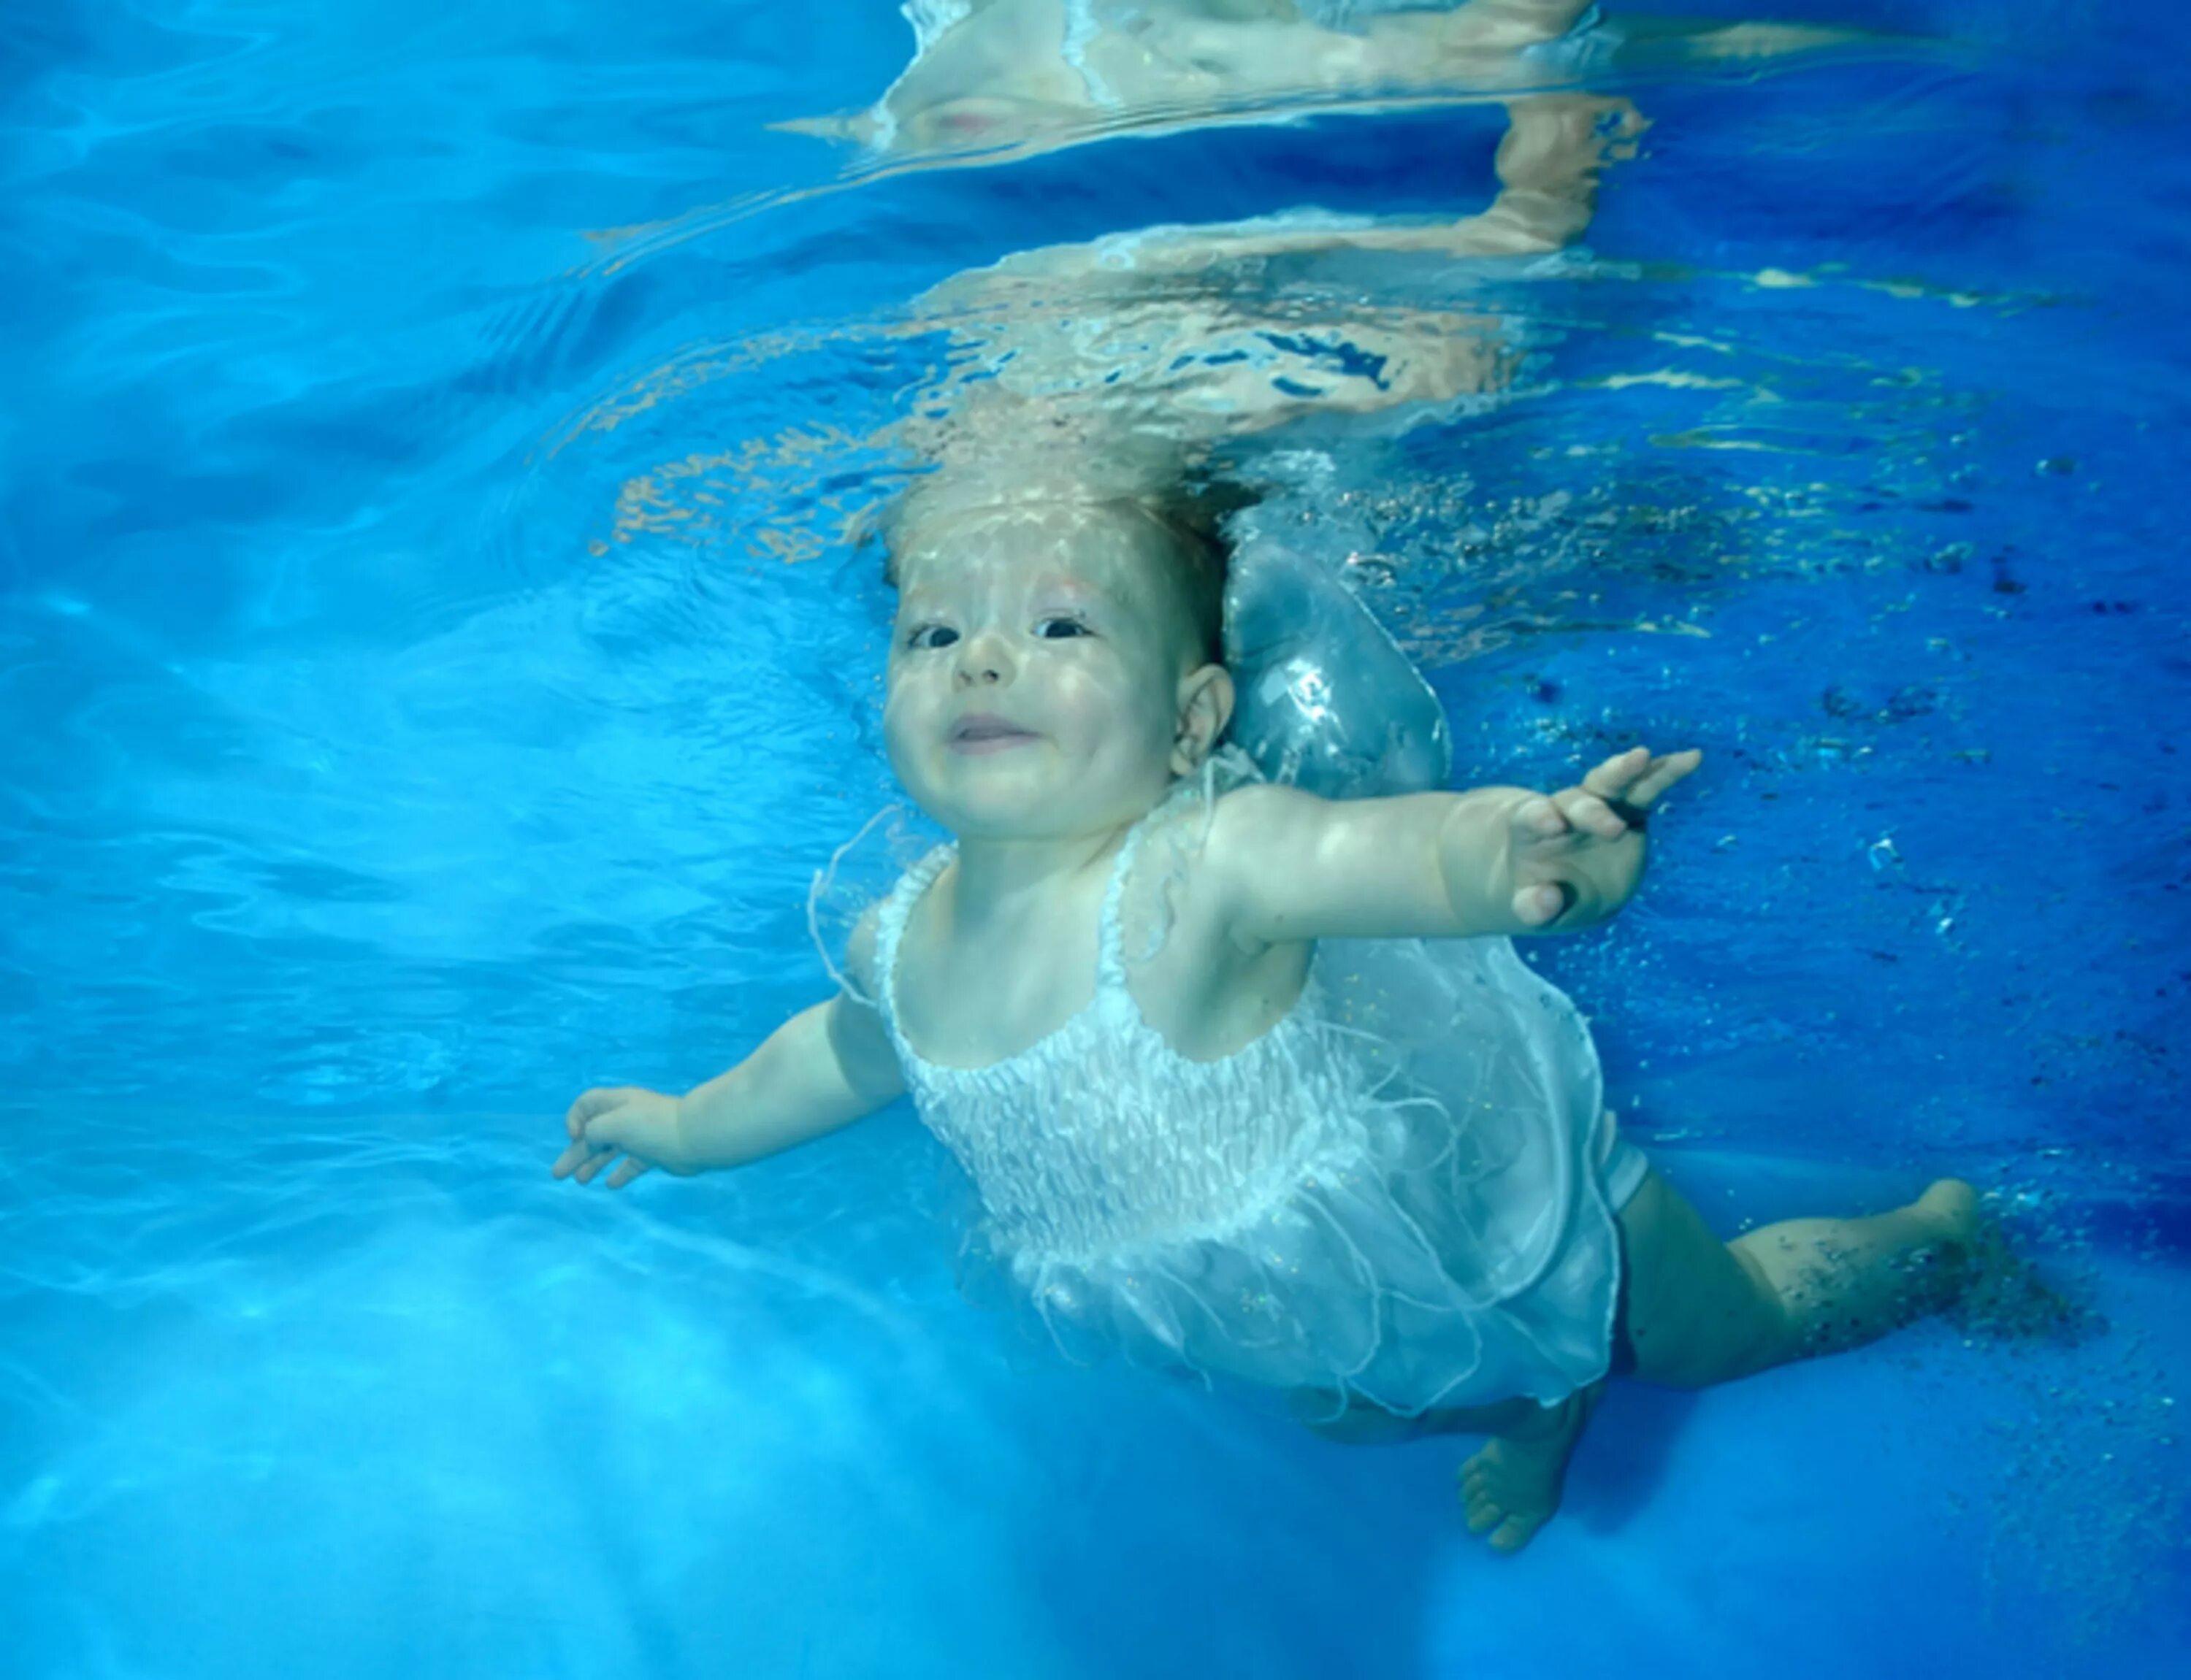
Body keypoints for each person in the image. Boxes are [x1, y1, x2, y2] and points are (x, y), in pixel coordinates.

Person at [551, 467, 1985, 1554]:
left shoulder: (1203, 870)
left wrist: (1523, 853)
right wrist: (689, 1123)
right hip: (1293, 1282)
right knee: (1358, 1402)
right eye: (934, 630)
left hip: (1494, 1207)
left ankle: (1936, 1235)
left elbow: (1385, 850)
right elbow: (850, 1051)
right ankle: (1547, 1399)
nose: (979, 659)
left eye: (1056, 623)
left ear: (1192, 720)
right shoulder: (899, 932)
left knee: (1702, 1335)